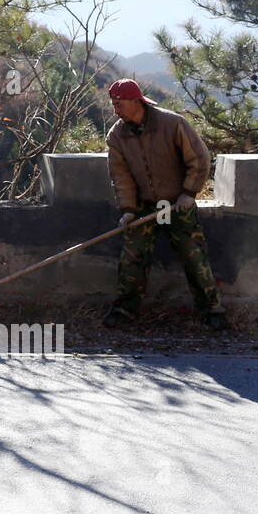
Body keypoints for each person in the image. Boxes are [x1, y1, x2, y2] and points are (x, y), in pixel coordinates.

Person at [103, 78, 227, 330]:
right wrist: (128, 210)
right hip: (145, 207)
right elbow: (121, 176)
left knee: (194, 256)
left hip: (177, 203)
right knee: (133, 256)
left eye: (120, 103)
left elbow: (199, 158)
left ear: (136, 101)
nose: (116, 108)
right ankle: (124, 310)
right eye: (113, 103)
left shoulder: (172, 123)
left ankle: (212, 310)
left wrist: (188, 192)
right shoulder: (117, 135)